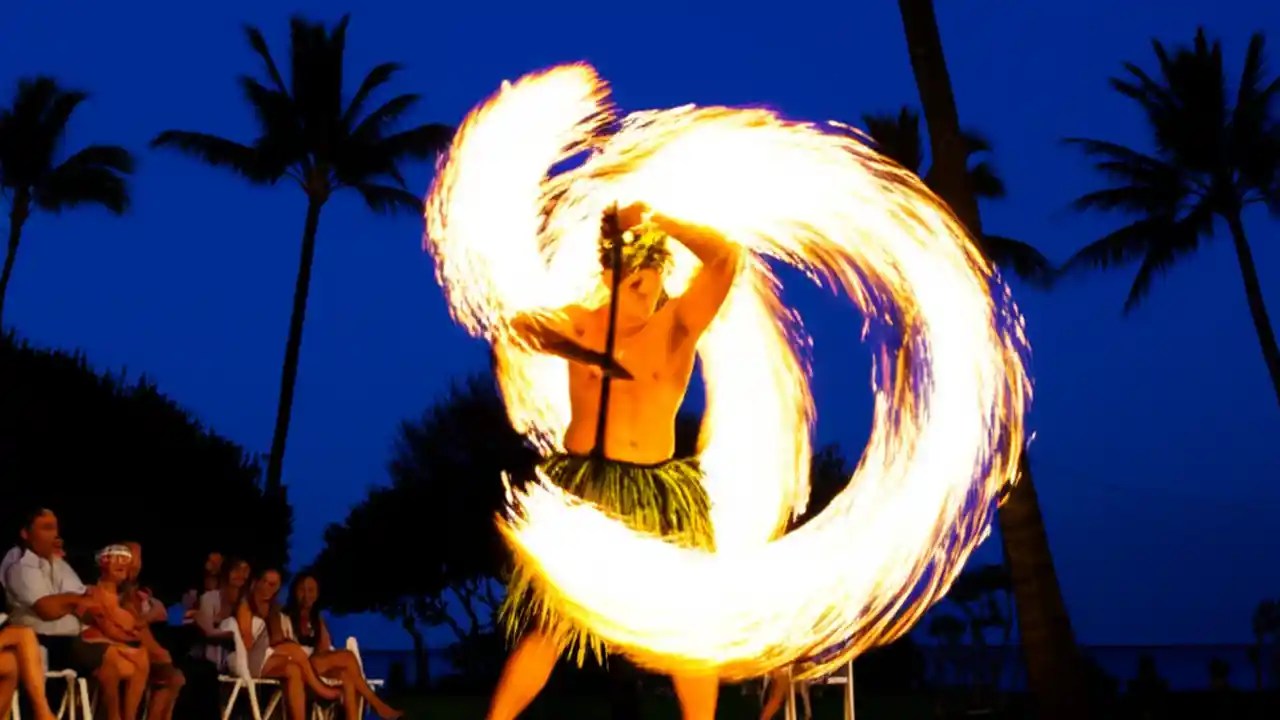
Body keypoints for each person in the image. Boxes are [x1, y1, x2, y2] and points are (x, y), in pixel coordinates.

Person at [486, 201, 741, 720]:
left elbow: (725, 259)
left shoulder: (675, 326)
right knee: (549, 627)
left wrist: (659, 219)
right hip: (582, 485)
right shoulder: (580, 324)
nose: (645, 297)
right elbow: (513, 327)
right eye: (635, 286)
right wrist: (568, 347)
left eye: (653, 285)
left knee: (688, 630)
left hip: (657, 495)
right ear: (609, 274)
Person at [2, 509, 139, 718]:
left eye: (55, 528)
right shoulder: (20, 566)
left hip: (73, 638)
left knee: (141, 667)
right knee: (120, 662)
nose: (54, 535)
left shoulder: (61, 566)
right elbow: (49, 609)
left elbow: (94, 609)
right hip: (51, 641)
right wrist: (75, 601)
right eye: (46, 528)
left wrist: (73, 602)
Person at [283, 573, 402, 719]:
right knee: (347, 657)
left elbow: (323, 650)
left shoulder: (316, 619)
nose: (306, 594)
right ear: (294, 591)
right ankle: (378, 705)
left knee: (347, 675)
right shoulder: (285, 617)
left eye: (311, 590)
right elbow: (286, 648)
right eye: (302, 589)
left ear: (317, 593)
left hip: (316, 667)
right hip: (300, 665)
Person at [80, 545, 150, 720]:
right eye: (117, 558)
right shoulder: (92, 591)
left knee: (166, 673)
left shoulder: (136, 596)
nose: (124, 563)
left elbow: (153, 618)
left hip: (132, 646)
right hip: (98, 644)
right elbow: (108, 626)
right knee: (122, 661)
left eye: (127, 559)